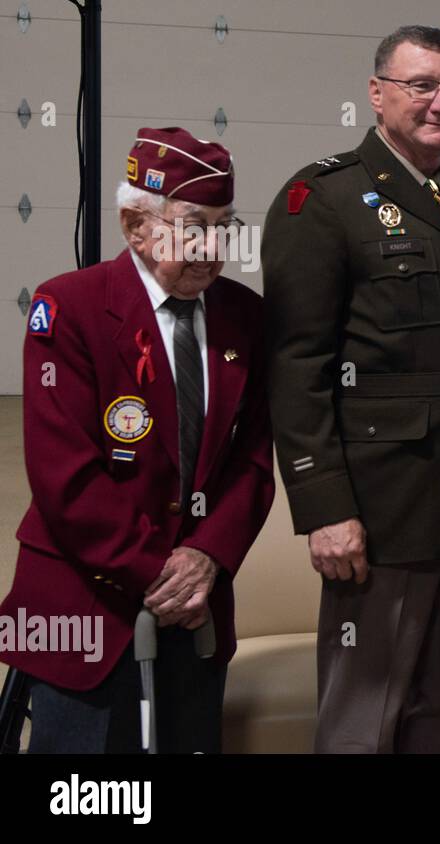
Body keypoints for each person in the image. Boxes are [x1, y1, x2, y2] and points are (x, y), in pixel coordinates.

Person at [261, 25, 440, 753]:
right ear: (378, 94)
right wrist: (324, 506)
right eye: (423, 85)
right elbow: (296, 367)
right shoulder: (319, 200)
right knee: (364, 720)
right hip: (383, 516)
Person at [0, 127, 274, 753]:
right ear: (134, 226)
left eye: (224, 226)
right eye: (192, 225)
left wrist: (207, 556)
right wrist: (159, 574)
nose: (211, 247)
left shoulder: (245, 317)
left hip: (197, 614)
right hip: (80, 616)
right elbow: (64, 477)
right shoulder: (68, 308)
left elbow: (253, 462)